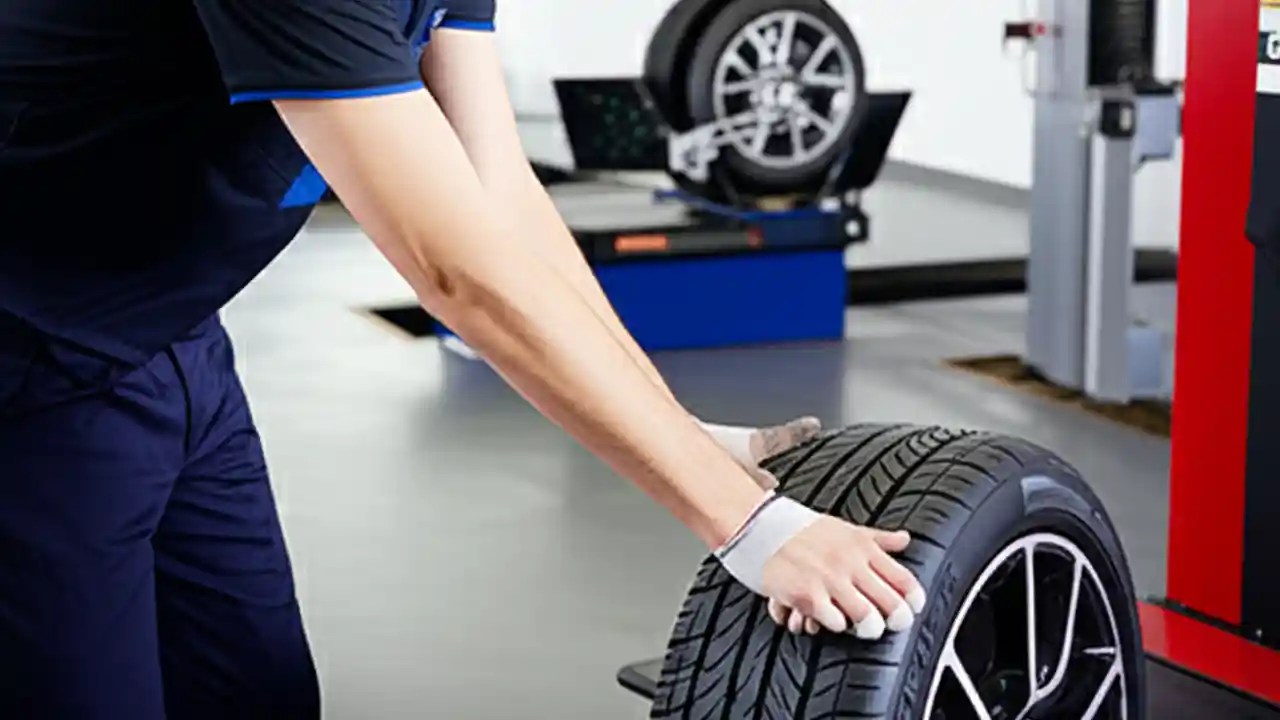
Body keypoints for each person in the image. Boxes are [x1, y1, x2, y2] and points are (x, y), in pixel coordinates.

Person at [0, 1, 925, 717]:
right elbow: (457, 272)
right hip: (28, 362)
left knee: (259, 694)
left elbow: (500, 196)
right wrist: (751, 527)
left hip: (171, 336)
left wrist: (670, 421)